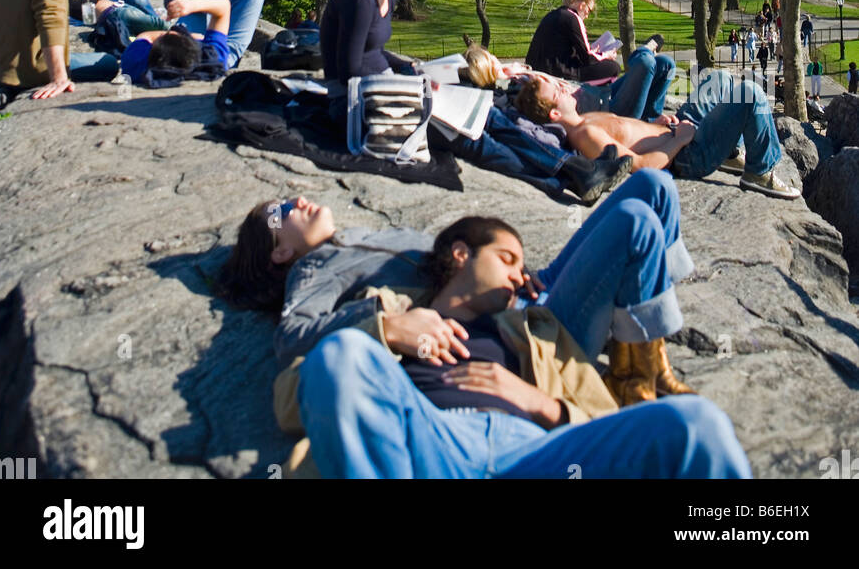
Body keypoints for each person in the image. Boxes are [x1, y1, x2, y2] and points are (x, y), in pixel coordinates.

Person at [269, 205, 751, 479]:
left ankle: (645, 374)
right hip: (425, 443)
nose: (521, 275)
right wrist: (387, 331)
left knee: (697, 425)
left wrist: (540, 404)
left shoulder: (536, 329)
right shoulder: (390, 307)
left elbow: (600, 418)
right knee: (343, 353)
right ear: (460, 255)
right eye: (507, 259)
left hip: (540, 454)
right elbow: (297, 394)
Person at [320, 0, 629, 206]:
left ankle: (579, 168)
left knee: (486, 112)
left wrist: (418, 69)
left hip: (389, 92)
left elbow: (371, 53)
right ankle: (564, 179)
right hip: (361, 110)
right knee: (473, 139)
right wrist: (415, 88)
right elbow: (352, 75)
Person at [513, 68, 801, 201]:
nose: (563, 87)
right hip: (687, 155)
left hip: (679, 128)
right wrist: (679, 140)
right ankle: (759, 173)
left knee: (717, 78)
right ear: (553, 114)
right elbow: (636, 167)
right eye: (557, 91)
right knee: (749, 94)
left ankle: (729, 153)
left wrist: (658, 123)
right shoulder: (585, 134)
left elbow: (630, 132)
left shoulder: (586, 118)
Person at [526, 0, 676, 120]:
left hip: (558, 72)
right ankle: (645, 51)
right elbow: (588, 58)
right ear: (582, 5)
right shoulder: (572, 17)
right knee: (628, 65)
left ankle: (650, 119)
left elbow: (577, 54)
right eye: (589, 11)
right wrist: (606, 55)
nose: (587, 15)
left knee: (664, 64)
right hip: (566, 76)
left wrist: (597, 53)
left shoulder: (556, 14)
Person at [119, 0, 265, 81]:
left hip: (191, 46)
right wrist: (191, 6)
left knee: (198, 7)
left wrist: (188, 35)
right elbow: (223, 5)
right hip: (226, 53)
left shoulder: (138, 64)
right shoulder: (213, 56)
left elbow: (145, 36)